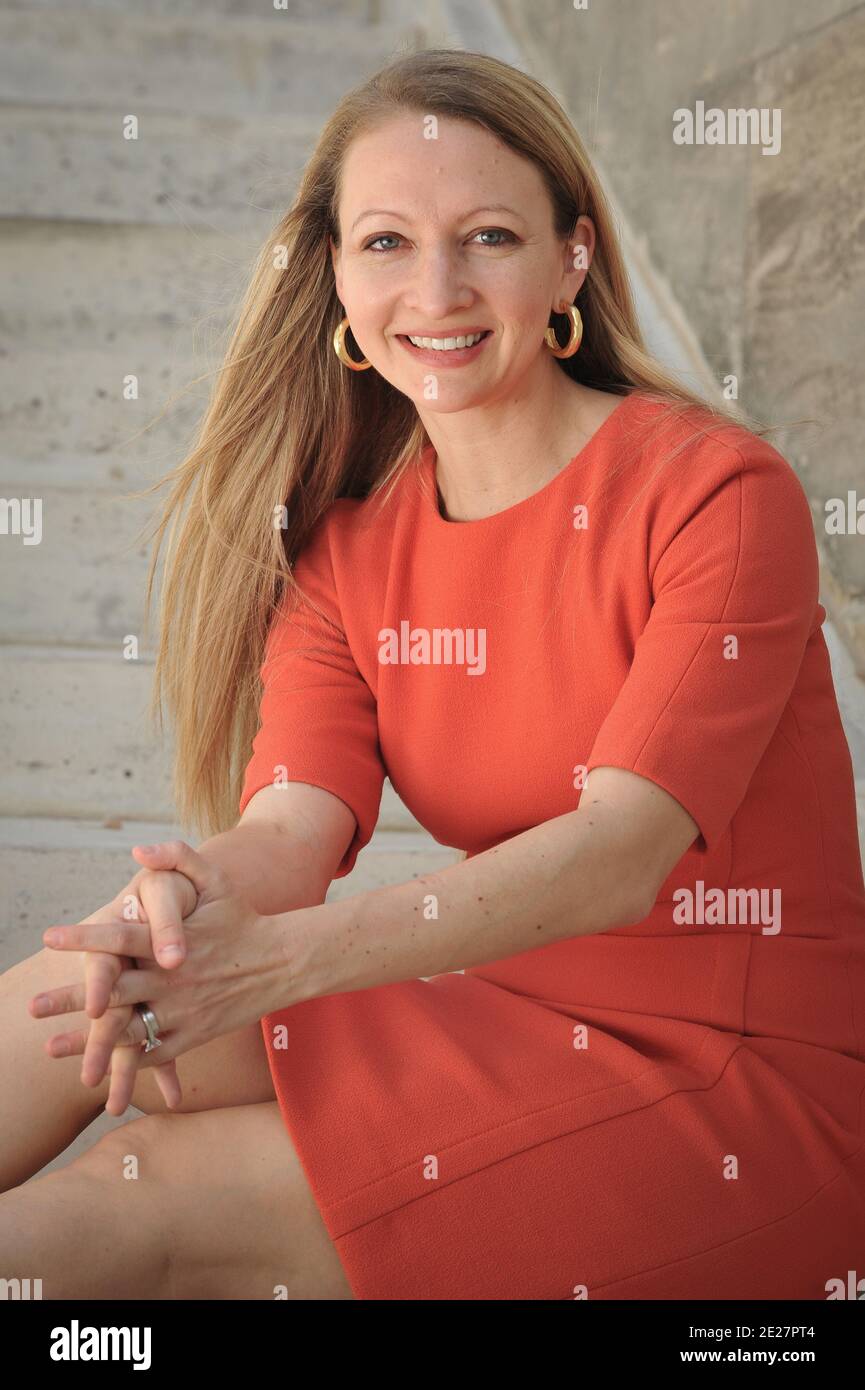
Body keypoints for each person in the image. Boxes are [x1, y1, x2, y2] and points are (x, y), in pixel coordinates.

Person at [2, 48, 864, 1301]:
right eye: (388, 242)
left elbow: (621, 851)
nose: (437, 288)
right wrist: (180, 906)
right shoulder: (351, 546)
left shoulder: (718, 495)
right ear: (338, 275)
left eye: (490, 237)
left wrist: (289, 964)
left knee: (142, 1200)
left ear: (572, 256)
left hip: (737, 1081)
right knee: (68, 1004)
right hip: (502, 1007)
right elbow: (292, 827)